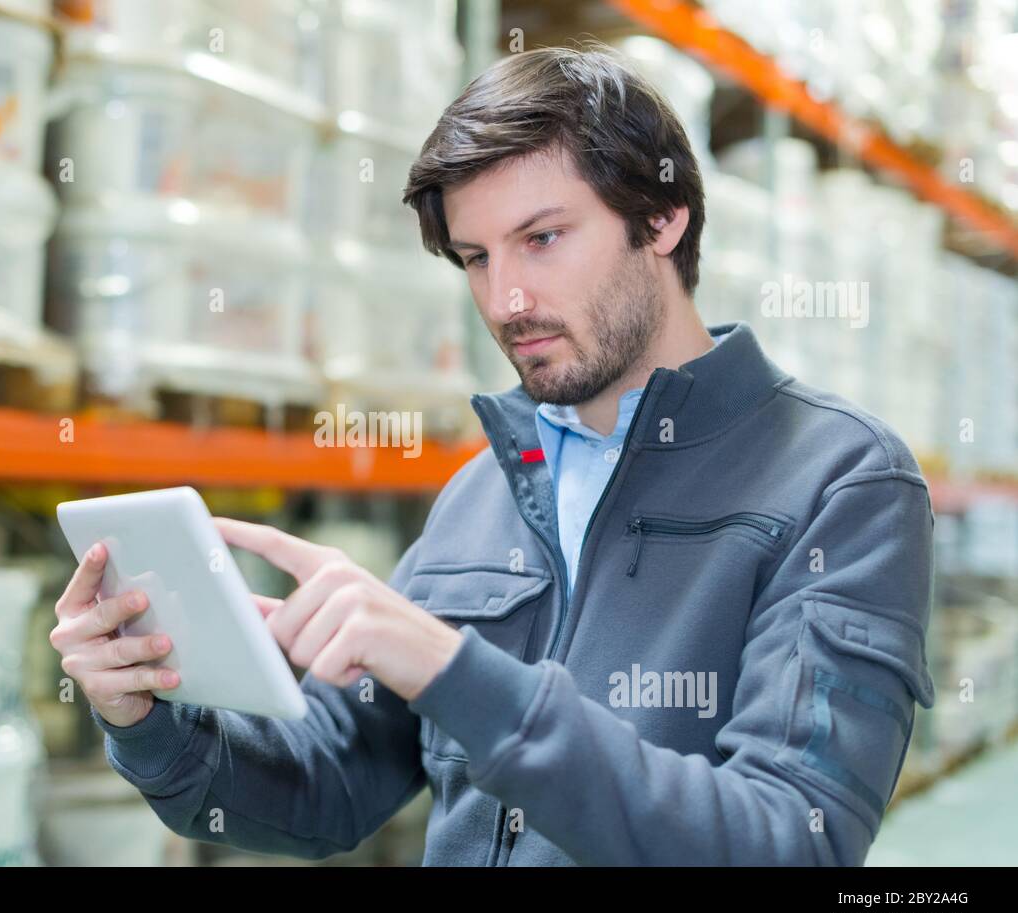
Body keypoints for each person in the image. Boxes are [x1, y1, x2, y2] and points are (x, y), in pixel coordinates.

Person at [49, 44, 935, 865]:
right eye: (475, 257)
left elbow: (791, 841)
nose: (506, 299)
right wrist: (148, 715)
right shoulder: (486, 492)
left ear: (664, 218)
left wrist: (455, 672)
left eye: (542, 238)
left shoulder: (842, 481)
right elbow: (328, 787)